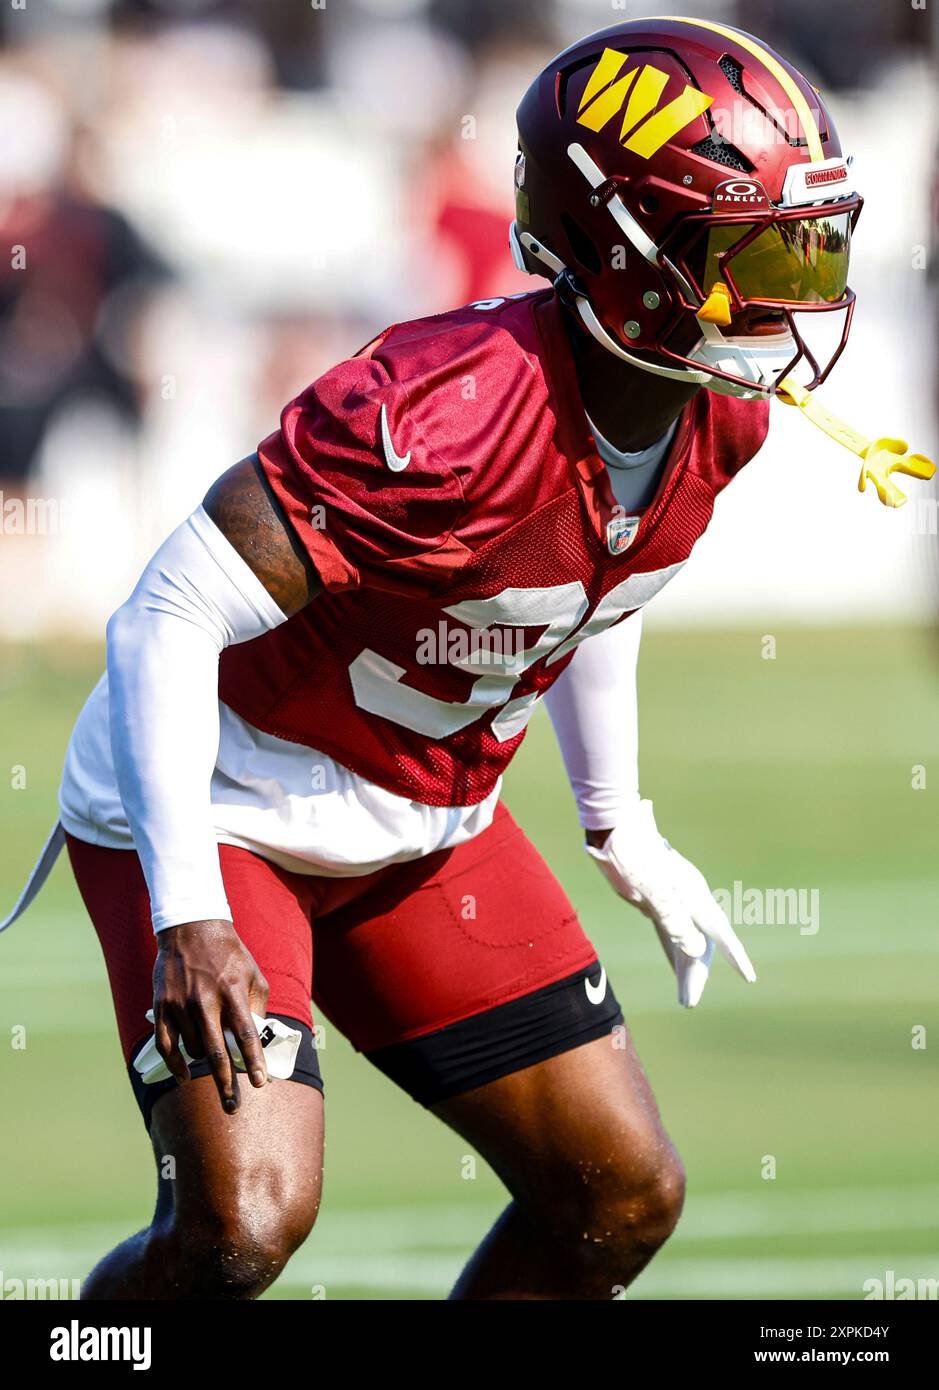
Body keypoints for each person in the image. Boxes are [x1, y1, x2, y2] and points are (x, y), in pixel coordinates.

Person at [4, 17, 865, 1299]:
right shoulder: (443, 414)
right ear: (618, 249)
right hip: (225, 799)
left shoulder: (718, 407)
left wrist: (616, 819)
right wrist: (189, 906)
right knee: (239, 1225)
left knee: (619, 1195)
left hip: (425, 817)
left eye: (808, 245)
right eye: (747, 253)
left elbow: (596, 583)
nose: (792, 294)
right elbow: (162, 617)